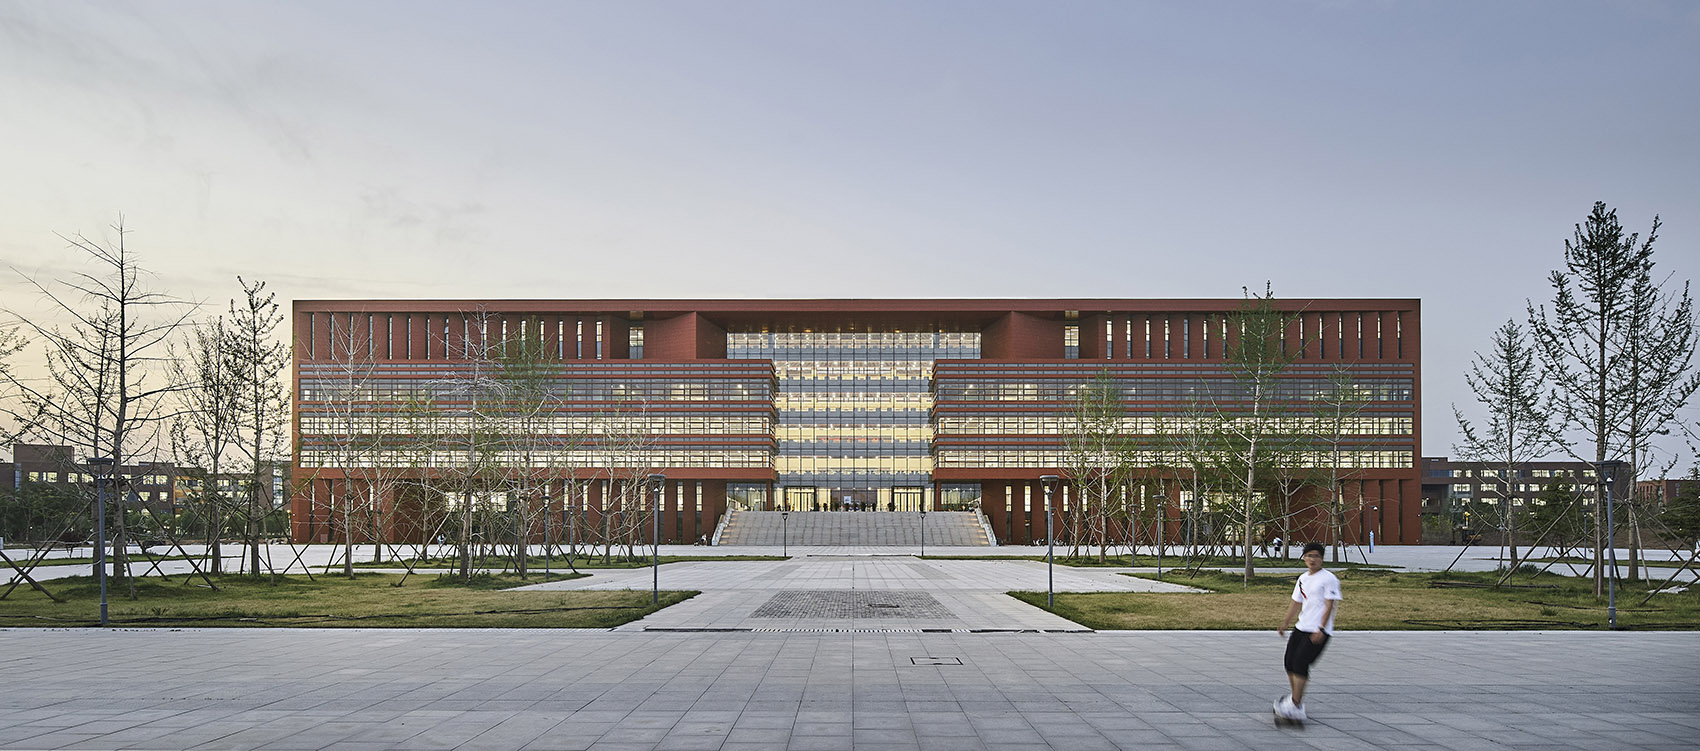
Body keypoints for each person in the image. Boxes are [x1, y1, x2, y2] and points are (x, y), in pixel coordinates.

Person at [1275, 541, 1341, 723]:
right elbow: (1296, 602)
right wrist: (1285, 623)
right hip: (1301, 627)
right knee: (1289, 662)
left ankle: (1295, 705)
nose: (1313, 560)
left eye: (1317, 556)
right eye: (1309, 556)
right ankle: (1296, 701)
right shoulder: (1303, 578)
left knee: (1300, 663)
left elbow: (1330, 605)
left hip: (1318, 630)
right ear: (1304, 557)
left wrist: (1321, 629)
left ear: (1322, 559)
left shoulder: (1329, 579)